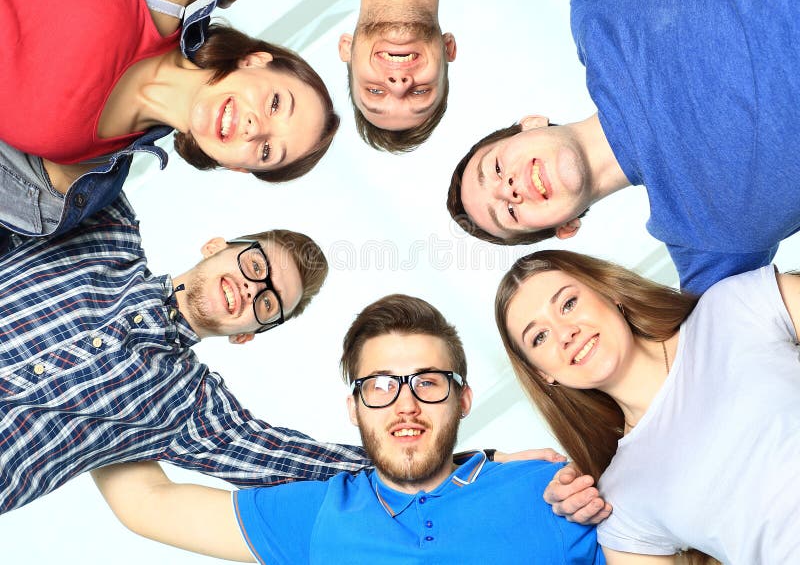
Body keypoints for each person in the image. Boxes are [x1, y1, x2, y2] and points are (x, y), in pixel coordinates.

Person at [90, 294, 602, 563]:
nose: (405, 404)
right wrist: (97, 381)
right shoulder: (317, 516)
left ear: (463, 400)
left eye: (427, 382)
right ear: (354, 408)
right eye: (380, 386)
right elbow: (146, 504)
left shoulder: (548, 488)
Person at [444, 0, 800, 296]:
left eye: (496, 168)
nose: (510, 189)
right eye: (510, 212)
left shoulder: (598, 2)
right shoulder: (704, 246)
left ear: (531, 123)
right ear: (566, 228)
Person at [214, 0, 752, 153]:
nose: (398, 82)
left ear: (346, 51)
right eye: (420, 92)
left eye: (375, 91)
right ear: (449, 51)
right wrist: (734, 52)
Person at [0, 193, 371, 514]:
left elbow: (300, 464)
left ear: (245, 336)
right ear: (216, 246)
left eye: (267, 303)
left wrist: (404, 464)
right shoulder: (106, 228)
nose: (252, 289)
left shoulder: (191, 409)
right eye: (256, 266)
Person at [0, 0, 338, 246]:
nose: (255, 129)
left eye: (266, 151)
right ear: (256, 61)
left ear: (237, 167)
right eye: (275, 104)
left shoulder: (82, 184)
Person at [495, 249, 800, 563]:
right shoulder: (619, 500)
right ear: (543, 374)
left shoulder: (732, 307)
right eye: (540, 337)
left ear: (609, 292)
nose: (565, 333)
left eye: (568, 304)